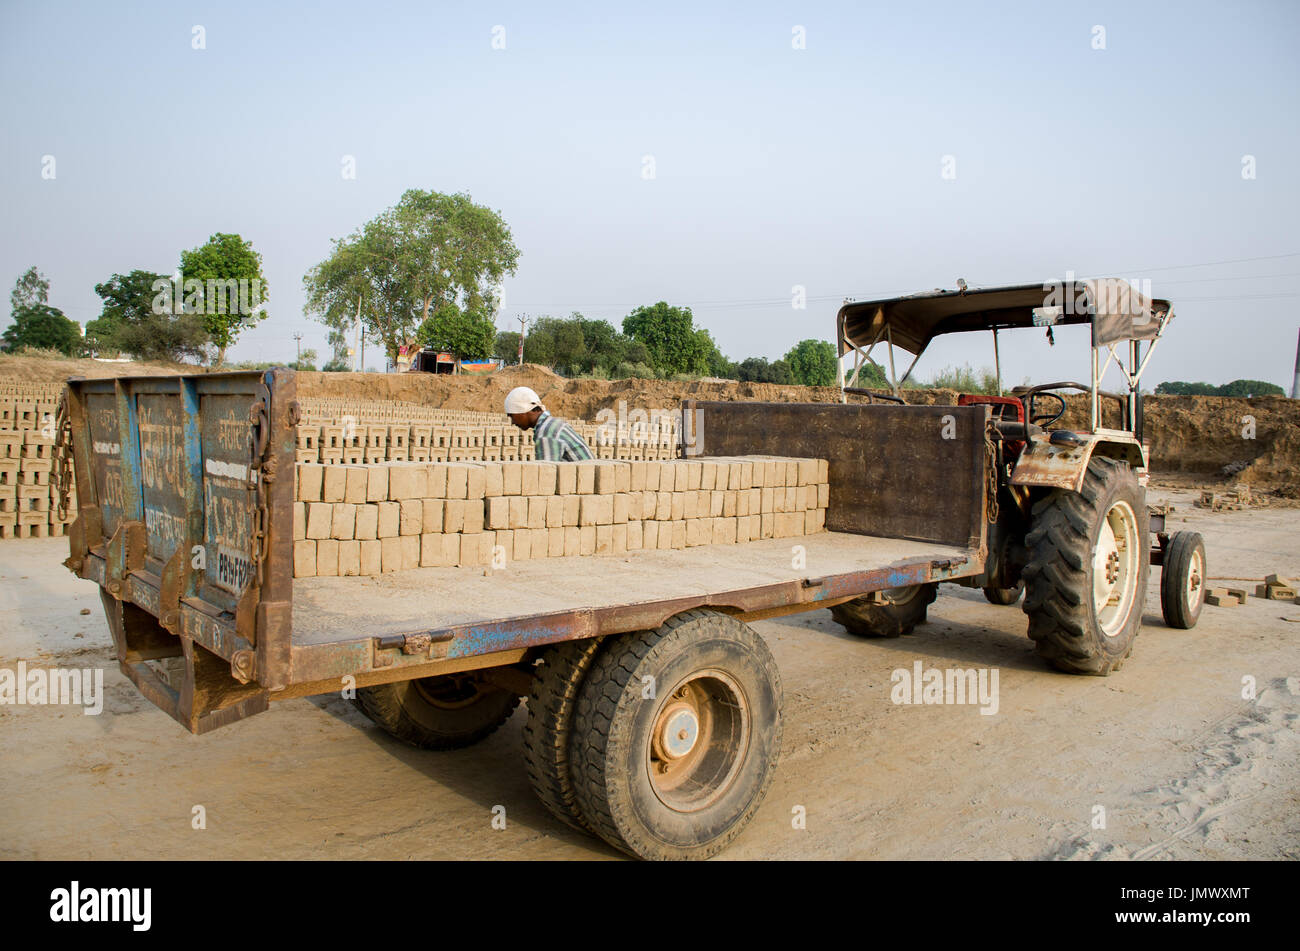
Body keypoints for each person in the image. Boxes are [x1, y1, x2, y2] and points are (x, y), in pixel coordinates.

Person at [504, 386, 594, 462]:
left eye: (512, 416)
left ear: (523, 410)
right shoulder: (551, 424)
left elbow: (546, 475)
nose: (513, 422)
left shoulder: (547, 432)